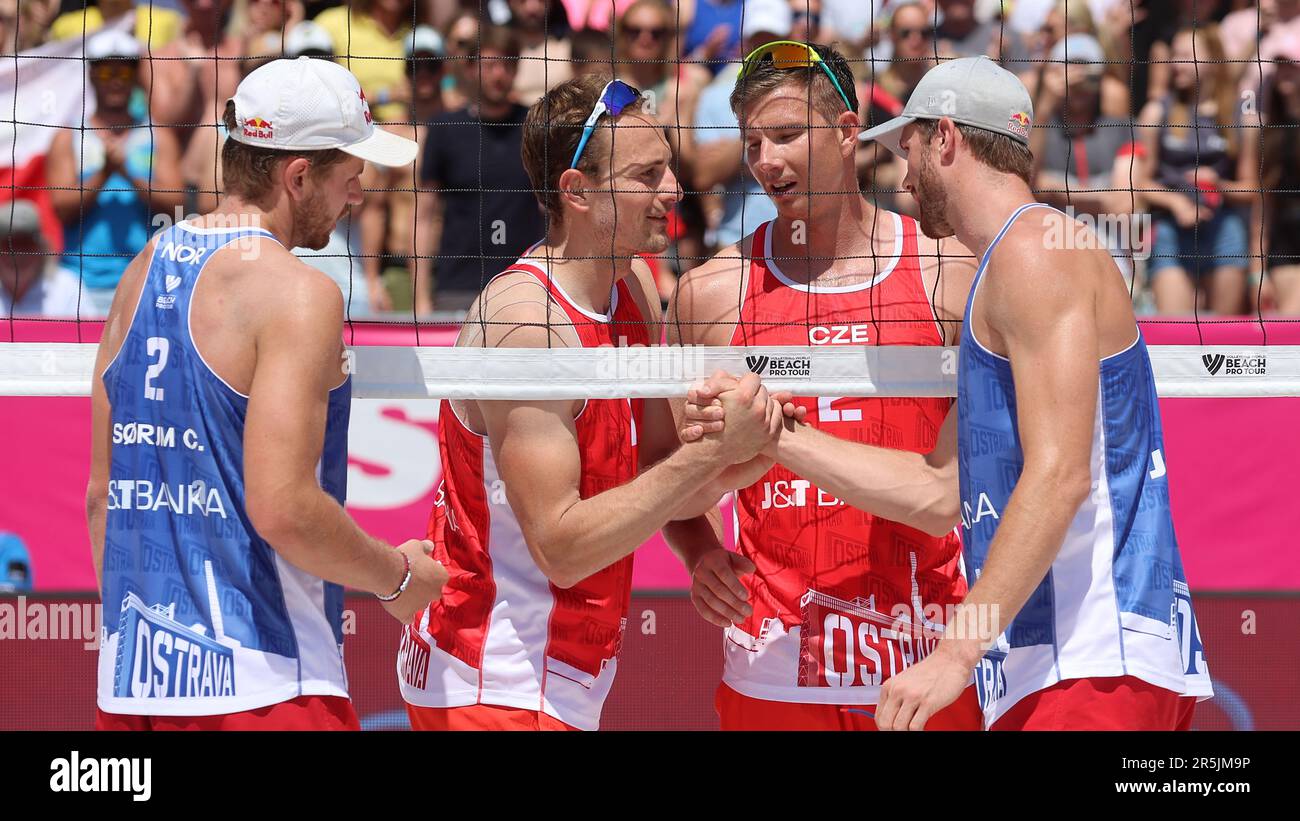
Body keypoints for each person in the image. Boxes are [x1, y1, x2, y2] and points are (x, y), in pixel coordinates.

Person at [692, 56, 1213, 730]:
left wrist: (955, 652)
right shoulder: (1009, 263)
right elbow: (939, 493)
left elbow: (1057, 479)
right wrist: (775, 432)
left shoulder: (1032, 252)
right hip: (1062, 658)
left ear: (944, 139)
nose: (903, 177)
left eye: (907, 150)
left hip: (1092, 655)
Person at [396, 74, 778, 731]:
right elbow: (563, 547)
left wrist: (708, 532)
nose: (673, 191)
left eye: (668, 166)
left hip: (556, 675)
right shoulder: (526, 326)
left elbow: (657, 467)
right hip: (491, 678)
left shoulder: (632, 282)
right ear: (576, 192)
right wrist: (720, 448)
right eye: (648, 174)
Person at [87, 57, 447, 730]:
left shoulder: (140, 272)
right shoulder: (299, 293)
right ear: (299, 176)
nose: (359, 199)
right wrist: (397, 577)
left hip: (134, 685)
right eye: (351, 178)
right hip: (267, 685)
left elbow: (100, 497)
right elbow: (283, 507)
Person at [669, 41, 981, 731]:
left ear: (846, 131)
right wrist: (697, 550)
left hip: (922, 664)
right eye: (751, 141)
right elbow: (667, 478)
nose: (764, 161)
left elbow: (965, 489)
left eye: (785, 135)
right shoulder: (709, 293)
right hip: (772, 667)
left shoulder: (947, 272)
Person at [46, 30, 183, 318]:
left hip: (146, 279)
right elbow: (61, 209)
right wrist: (104, 174)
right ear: (92, 75)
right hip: (80, 284)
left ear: (135, 76)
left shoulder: (159, 135)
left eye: (124, 70)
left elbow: (177, 207)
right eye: (107, 72)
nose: (117, 81)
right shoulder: (68, 137)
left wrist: (128, 175)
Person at [419, 25, 545, 311]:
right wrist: (420, 296)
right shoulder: (444, 129)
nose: (499, 74)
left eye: (507, 65)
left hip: (525, 286)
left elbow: (551, 209)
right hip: (458, 288)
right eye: (489, 65)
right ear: (470, 69)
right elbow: (424, 217)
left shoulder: (537, 126)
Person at [1137, 24, 1258, 315]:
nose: (1176, 64)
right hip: (1170, 230)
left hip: (1223, 229)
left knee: (1223, 340)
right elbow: (1138, 181)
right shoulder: (1156, 111)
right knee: (1176, 336)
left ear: (1214, 60)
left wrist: (1219, 184)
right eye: (1174, 55)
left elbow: (1252, 189)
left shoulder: (1242, 118)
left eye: (1185, 55)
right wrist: (1175, 201)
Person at [689, 0, 784, 254]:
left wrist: (743, 149)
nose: (765, 51)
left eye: (774, 42)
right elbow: (704, 175)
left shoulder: (809, 95)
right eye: (758, 41)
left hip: (802, 234)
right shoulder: (716, 95)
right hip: (737, 239)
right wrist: (774, 138)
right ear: (745, 42)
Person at [0, 200, 82, 317]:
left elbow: (91, 333)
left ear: (41, 249)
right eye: (8, 245)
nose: (17, 256)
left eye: (25, 245)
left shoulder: (67, 287)